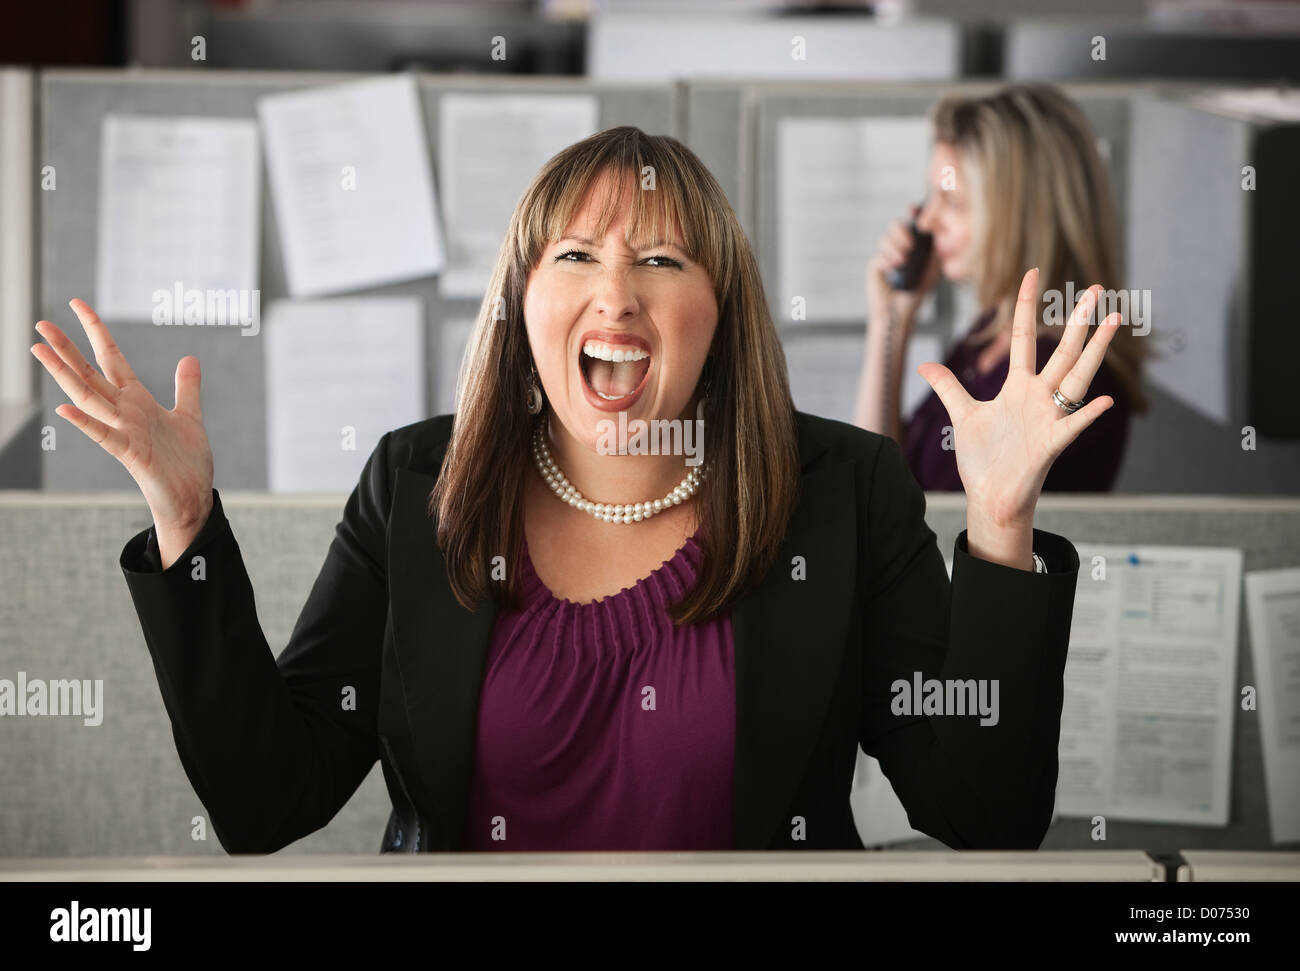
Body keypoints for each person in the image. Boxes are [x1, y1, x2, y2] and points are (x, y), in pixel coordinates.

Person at [31, 126, 1121, 854]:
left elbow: (983, 814)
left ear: (719, 310)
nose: (616, 295)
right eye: (574, 257)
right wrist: (185, 523)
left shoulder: (841, 492)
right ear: (519, 303)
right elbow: (265, 800)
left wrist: (1001, 522)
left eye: (661, 261)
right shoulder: (416, 486)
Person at [853, 83, 1149, 492]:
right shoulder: (992, 331)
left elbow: (879, 505)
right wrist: (892, 319)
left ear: (1022, 218)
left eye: (952, 202)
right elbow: (881, 473)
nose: (925, 222)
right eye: (931, 197)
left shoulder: (1060, 374)